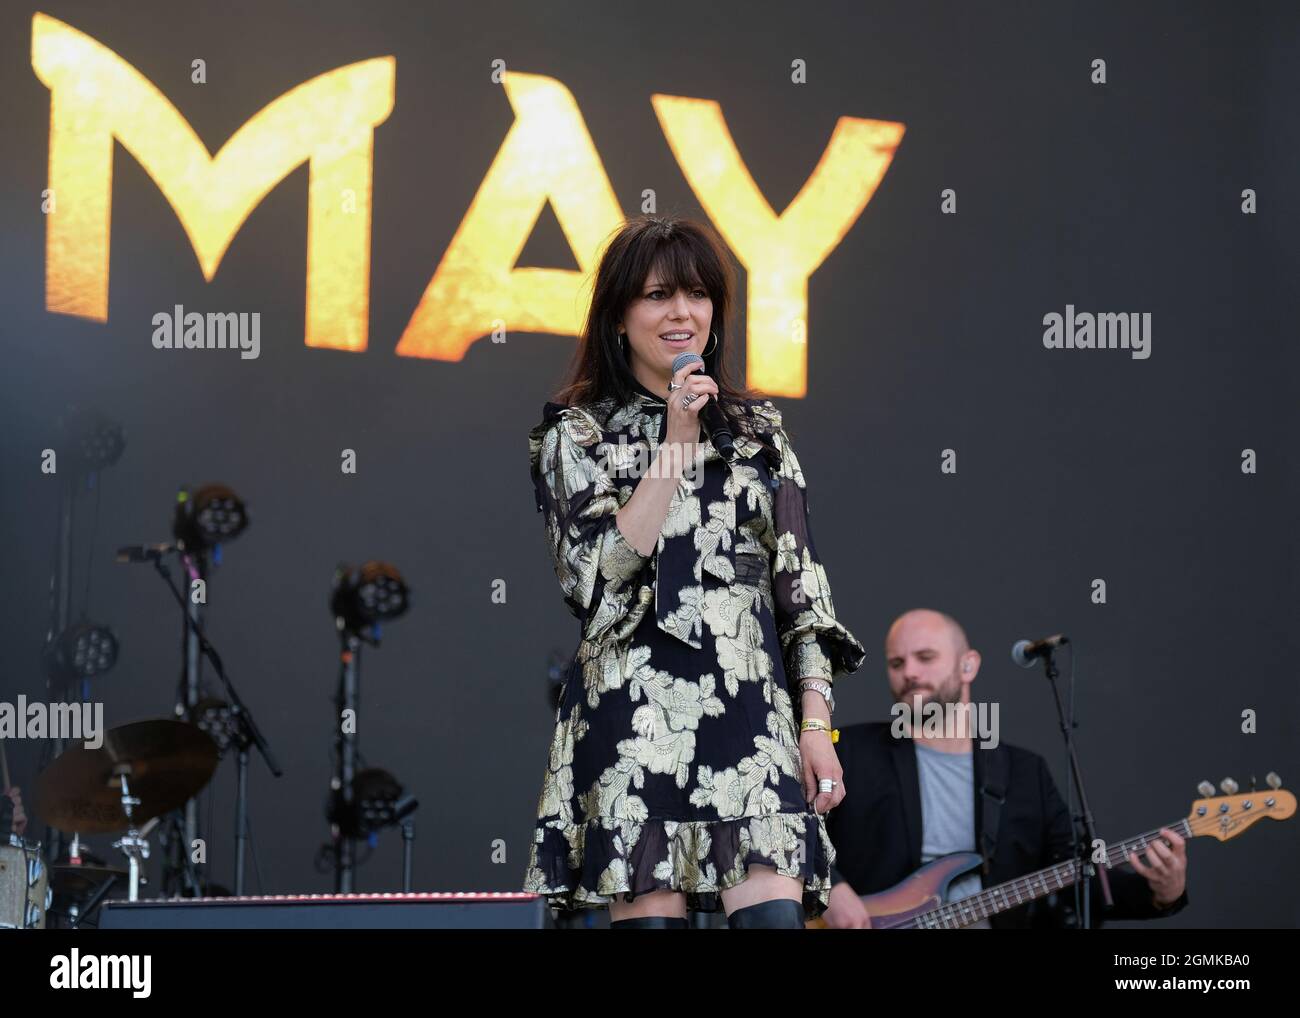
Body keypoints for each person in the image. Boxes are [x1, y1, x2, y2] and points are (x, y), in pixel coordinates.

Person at [523, 214, 866, 928]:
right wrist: (675, 445)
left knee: (775, 917)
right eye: (657, 296)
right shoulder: (576, 429)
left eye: (698, 295)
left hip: (750, 706)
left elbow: (801, 594)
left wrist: (816, 726)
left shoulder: (756, 431)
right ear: (619, 317)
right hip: (633, 705)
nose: (682, 313)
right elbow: (594, 576)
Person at [821, 609, 1189, 928]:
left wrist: (1163, 892)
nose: (909, 673)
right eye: (897, 663)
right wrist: (831, 887)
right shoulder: (847, 751)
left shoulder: (1024, 773)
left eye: (926, 657)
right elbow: (792, 830)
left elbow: (1080, 881)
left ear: (969, 665)